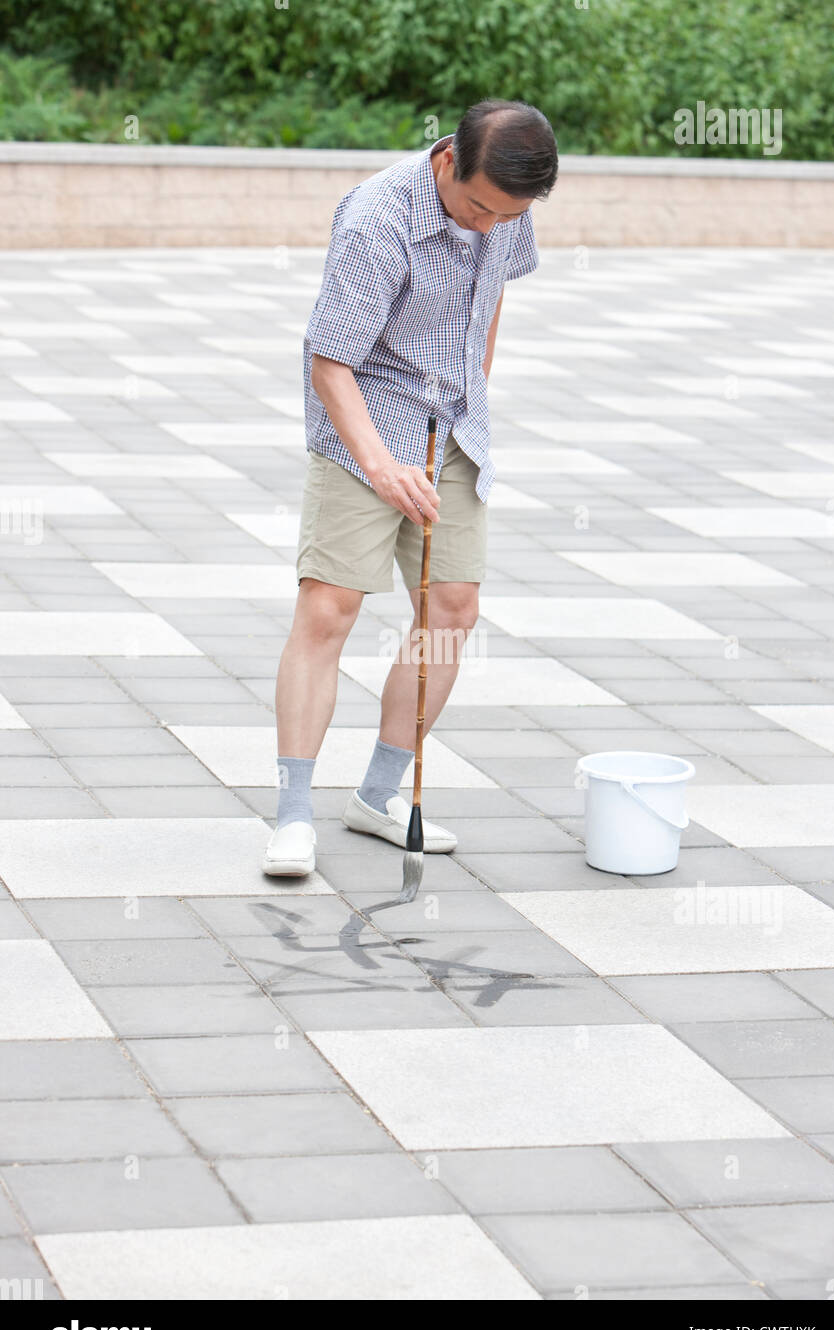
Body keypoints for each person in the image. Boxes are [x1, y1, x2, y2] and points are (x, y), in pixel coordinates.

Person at [264, 98, 558, 875]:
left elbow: (491, 296)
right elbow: (329, 360)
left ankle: (378, 796)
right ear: (447, 163)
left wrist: (473, 394)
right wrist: (383, 466)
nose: (489, 226)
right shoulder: (377, 221)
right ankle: (293, 816)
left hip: (451, 426)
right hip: (365, 418)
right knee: (330, 608)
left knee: (453, 609)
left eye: (508, 215)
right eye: (478, 208)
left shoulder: (504, 206)